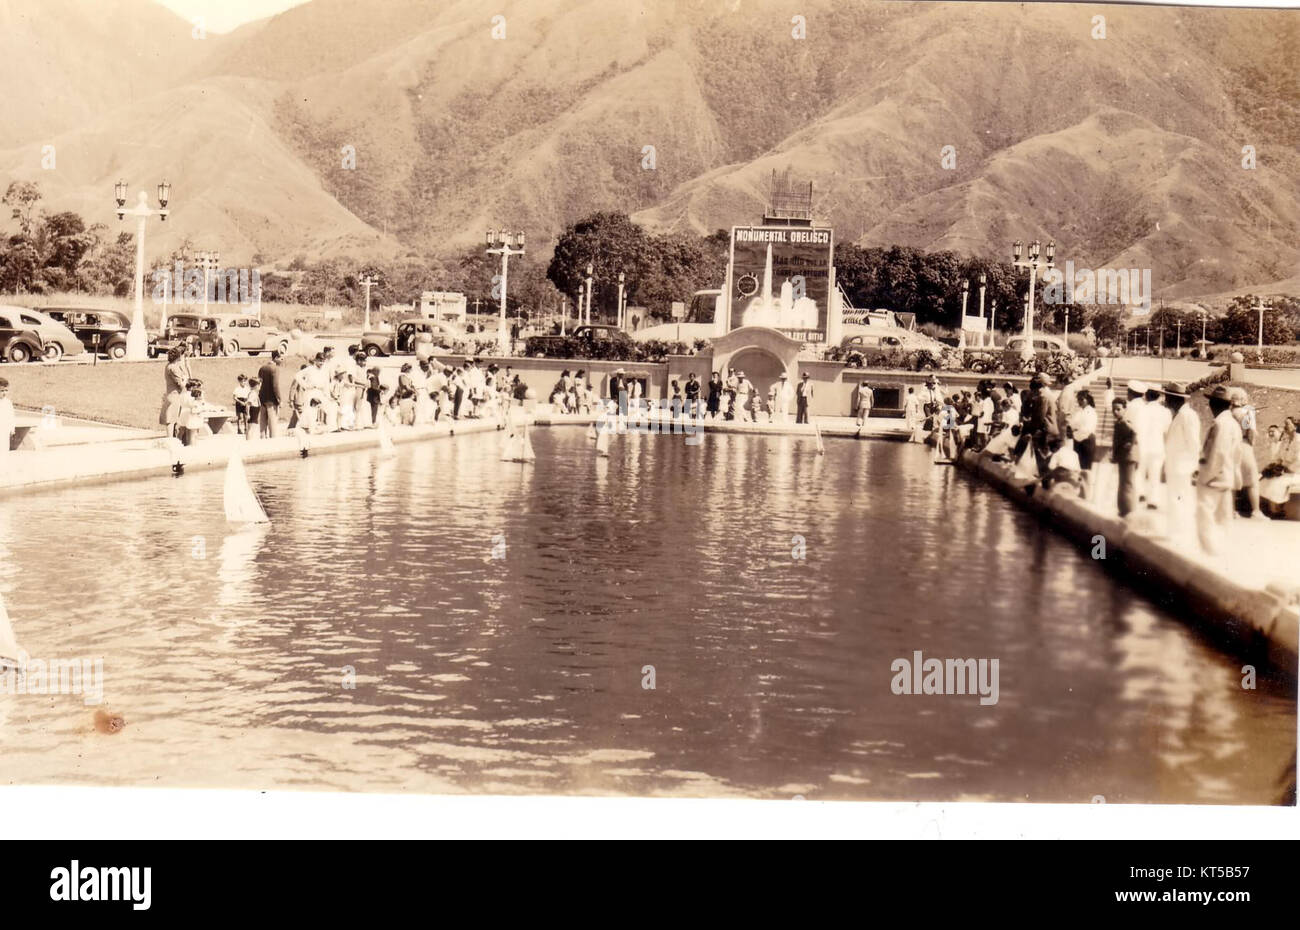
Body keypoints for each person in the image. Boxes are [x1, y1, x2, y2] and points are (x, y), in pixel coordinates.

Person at [1196, 385, 1241, 555]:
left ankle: (1209, 554)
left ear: (1213, 404)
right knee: (1223, 520)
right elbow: (1237, 454)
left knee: (1205, 518)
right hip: (1226, 477)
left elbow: (1217, 453)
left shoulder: (1220, 424)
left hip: (1213, 480)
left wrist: (1205, 477)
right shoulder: (1233, 424)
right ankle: (1223, 554)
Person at [1161, 381, 1201, 542]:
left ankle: (1179, 531)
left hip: (1182, 465)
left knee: (1179, 498)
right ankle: (1176, 529)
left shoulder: (1187, 415)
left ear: (1174, 399)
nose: (1166, 401)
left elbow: (1193, 443)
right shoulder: (1179, 415)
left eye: (1168, 398)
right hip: (1176, 464)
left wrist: (1193, 465)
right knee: (1176, 498)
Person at [1230, 388, 1263, 520]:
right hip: (1244, 444)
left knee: (1233, 479)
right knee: (1252, 480)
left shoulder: (1229, 412)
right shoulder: (1248, 412)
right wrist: (1252, 442)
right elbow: (1252, 432)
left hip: (1231, 445)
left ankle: (1231, 510)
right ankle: (1256, 511)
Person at [1139, 383, 1172, 511]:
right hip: (1157, 446)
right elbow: (1166, 430)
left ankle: (1140, 494)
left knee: (1140, 471)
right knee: (1155, 474)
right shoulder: (1165, 412)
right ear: (1159, 396)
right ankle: (1153, 500)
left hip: (1142, 444)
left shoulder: (1143, 409)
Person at [1111, 396, 1141, 518]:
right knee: (1124, 483)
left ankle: (1128, 510)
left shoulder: (1124, 421)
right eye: (1114, 409)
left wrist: (1129, 444)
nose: (1115, 412)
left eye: (1118, 409)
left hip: (1128, 456)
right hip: (1124, 456)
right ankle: (1123, 509)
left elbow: (1134, 432)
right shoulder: (1119, 422)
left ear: (1124, 409)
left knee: (1127, 484)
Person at [1067, 389, 1098, 498]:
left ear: (1088, 400)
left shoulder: (1091, 412)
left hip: (1086, 441)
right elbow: (1072, 424)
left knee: (1086, 468)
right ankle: (1078, 491)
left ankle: (1086, 493)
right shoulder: (1079, 411)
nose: (1080, 402)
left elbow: (1087, 429)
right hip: (1078, 441)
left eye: (1082, 399)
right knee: (1078, 467)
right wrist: (1072, 429)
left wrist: (1075, 432)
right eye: (1078, 399)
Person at [159, 346, 190, 439]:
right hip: (174, 396)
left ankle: (172, 438)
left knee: (172, 419)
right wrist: (185, 379)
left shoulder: (169, 366)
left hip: (171, 394)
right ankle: (170, 440)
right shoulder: (173, 368)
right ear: (178, 357)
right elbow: (181, 384)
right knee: (171, 419)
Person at [257, 350, 284, 439]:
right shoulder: (276, 369)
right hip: (271, 399)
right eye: (281, 358)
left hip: (262, 397)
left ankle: (262, 438)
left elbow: (259, 383)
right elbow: (275, 385)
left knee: (263, 420)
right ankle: (272, 440)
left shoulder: (262, 368)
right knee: (272, 421)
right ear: (276, 358)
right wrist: (279, 399)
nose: (282, 359)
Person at [0, 378, 14, 464]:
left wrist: (12, 429)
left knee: (4, 449)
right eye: (1, 391)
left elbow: (11, 416)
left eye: (6, 390)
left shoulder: (8, 402)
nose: (4, 393)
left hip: (5, 430)